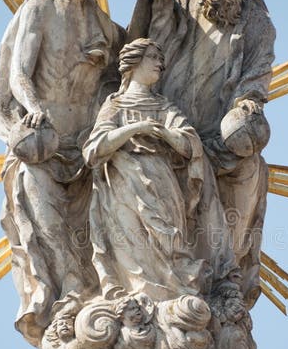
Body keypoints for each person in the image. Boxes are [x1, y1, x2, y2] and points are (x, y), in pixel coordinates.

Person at [0, 0, 125, 346]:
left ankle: (97, 292)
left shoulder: (103, 27)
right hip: (42, 143)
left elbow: (135, 66)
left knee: (98, 221)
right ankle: (66, 291)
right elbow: (18, 75)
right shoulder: (39, 10)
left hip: (87, 147)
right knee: (33, 188)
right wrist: (33, 112)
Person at [135, 0, 276, 305]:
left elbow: (256, 79)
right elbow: (152, 46)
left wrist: (247, 108)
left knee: (247, 171)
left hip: (225, 136)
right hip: (177, 127)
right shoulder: (188, 5)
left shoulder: (258, 22)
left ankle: (224, 278)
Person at [83, 38, 235, 303]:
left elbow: (189, 143)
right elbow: (93, 150)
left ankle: (175, 297)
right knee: (133, 247)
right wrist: (134, 129)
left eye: (160, 59)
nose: (159, 64)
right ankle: (140, 300)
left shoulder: (164, 107)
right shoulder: (115, 106)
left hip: (163, 182)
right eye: (153, 57)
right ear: (133, 62)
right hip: (123, 184)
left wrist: (165, 133)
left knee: (169, 242)